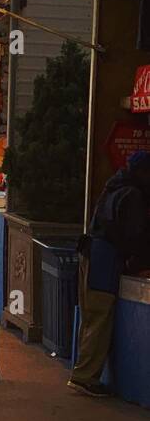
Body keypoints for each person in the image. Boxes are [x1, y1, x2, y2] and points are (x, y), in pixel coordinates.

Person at [69, 151, 150, 397]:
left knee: (91, 317)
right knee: (99, 318)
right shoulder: (133, 195)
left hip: (91, 254)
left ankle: (82, 372)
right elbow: (135, 235)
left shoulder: (115, 186)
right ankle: (84, 377)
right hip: (104, 261)